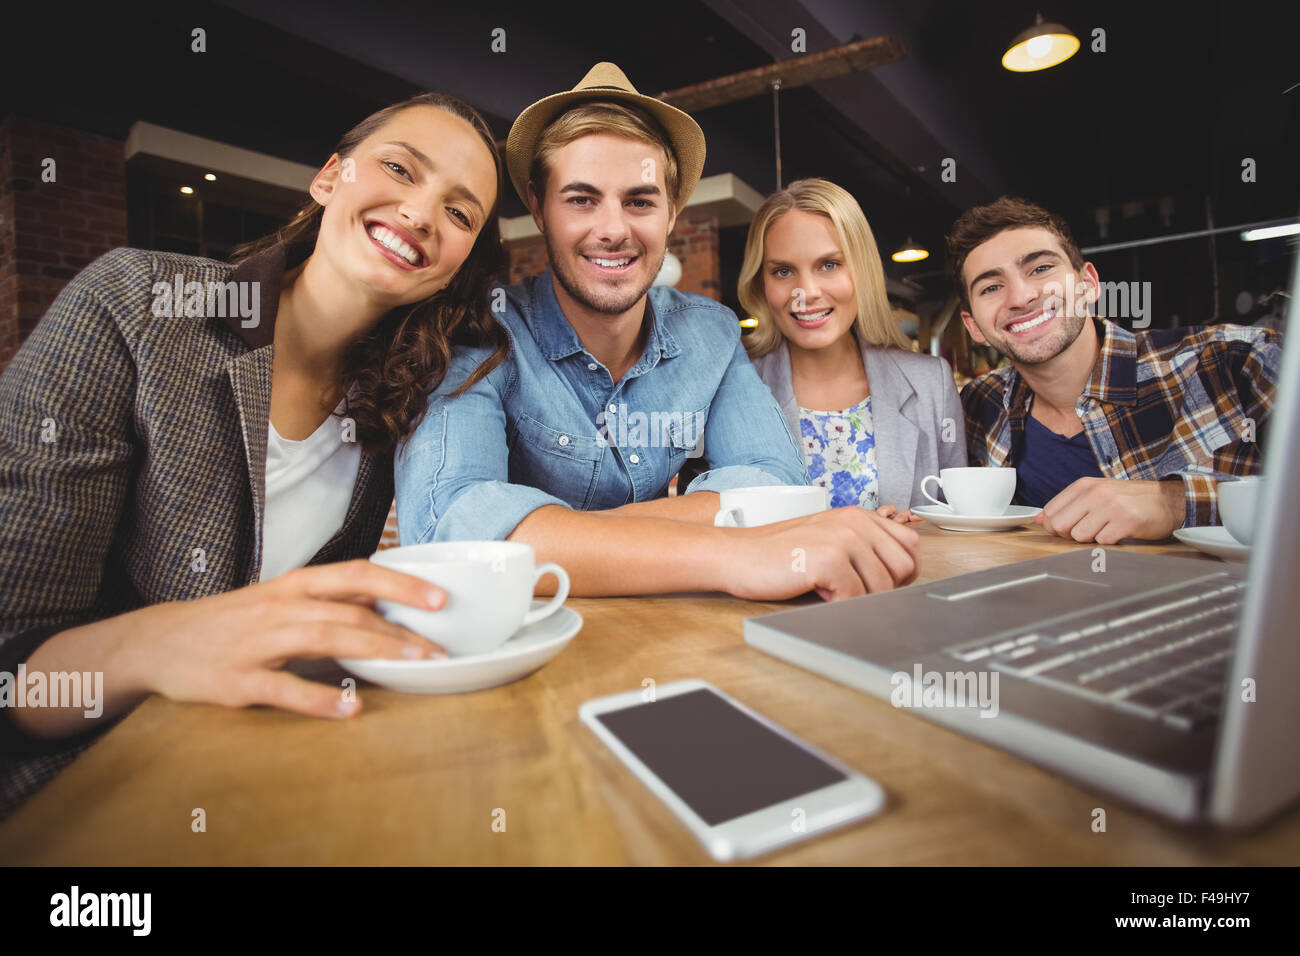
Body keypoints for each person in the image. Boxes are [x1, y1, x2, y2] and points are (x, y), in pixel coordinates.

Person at [0, 92, 508, 816]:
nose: (423, 214)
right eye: (400, 168)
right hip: (87, 800)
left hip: (271, 778)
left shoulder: (406, 395)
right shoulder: (138, 306)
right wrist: (159, 647)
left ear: (457, 265)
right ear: (330, 176)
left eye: (460, 213)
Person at [395, 63, 920, 600]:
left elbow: (774, 482)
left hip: (664, 641)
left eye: (640, 201)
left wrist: (586, 534)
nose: (614, 230)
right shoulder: (476, 329)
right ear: (537, 207)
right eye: (581, 199)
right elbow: (449, 525)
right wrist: (732, 552)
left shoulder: (710, 334)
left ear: (672, 213)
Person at [951, 196, 1283, 543]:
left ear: (1089, 284)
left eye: (1040, 269)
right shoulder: (978, 406)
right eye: (991, 287)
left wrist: (1176, 504)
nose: (1020, 297)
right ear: (974, 326)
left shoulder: (1236, 359)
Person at [740, 178, 966, 517]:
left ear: (862, 271)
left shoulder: (931, 382)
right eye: (783, 271)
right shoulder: (734, 389)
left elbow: (962, 521)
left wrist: (923, 532)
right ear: (761, 282)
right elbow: (716, 528)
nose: (807, 291)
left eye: (829, 265)